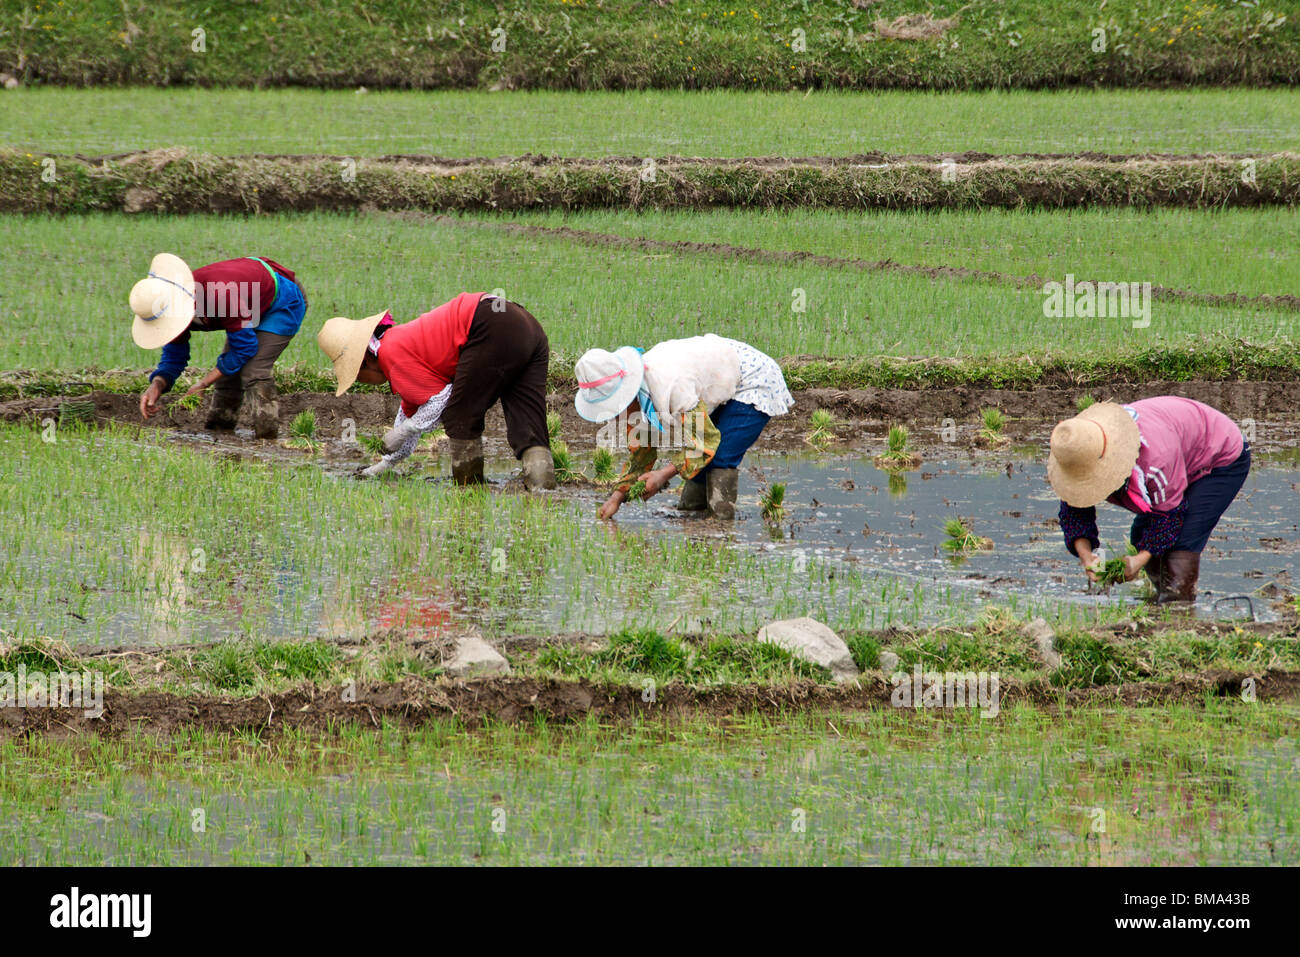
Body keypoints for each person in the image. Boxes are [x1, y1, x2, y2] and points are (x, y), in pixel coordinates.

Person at [317, 291, 555, 489]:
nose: (364, 382)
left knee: (460, 415)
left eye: (358, 377)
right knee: (527, 419)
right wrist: (383, 465)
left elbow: (440, 402)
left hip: (490, 324)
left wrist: (402, 432)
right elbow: (411, 421)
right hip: (523, 324)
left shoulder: (391, 356)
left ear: (365, 362)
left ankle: (469, 490)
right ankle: (542, 487)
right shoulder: (401, 347)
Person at [1049, 397, 1250, 603]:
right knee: (1141, 537)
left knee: (1181, 542)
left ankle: (1178, 610)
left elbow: (1168, 517)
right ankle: (1160, 603)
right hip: (1178, 446)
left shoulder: (1155, 462)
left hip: (1219, 455)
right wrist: (1086, 556)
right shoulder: (1078, 447)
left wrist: (1139, 559)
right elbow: (1075, 510)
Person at [574, 334, 793, 520]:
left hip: (753, 379)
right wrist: (617, 498)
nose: (614, 419)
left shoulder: (671, 385)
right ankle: (693, 515)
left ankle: (721, 527)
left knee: (720, 456)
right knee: (698, 467)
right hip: (715, 380)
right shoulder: (635, 400)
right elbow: (642, 452)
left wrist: (663, 475)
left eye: (613, 409)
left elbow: (704, 443)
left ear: (625, 393)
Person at [130, 253, 307, 439]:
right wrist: (157, 384)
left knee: (255, 370)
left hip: (281, 301)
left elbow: (244, 349)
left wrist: (203, 383)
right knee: (227, 373)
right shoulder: (172, 309)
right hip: (248, 301)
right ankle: (219, 433)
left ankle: (267, 439)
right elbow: (175, 355)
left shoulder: (220, 295)